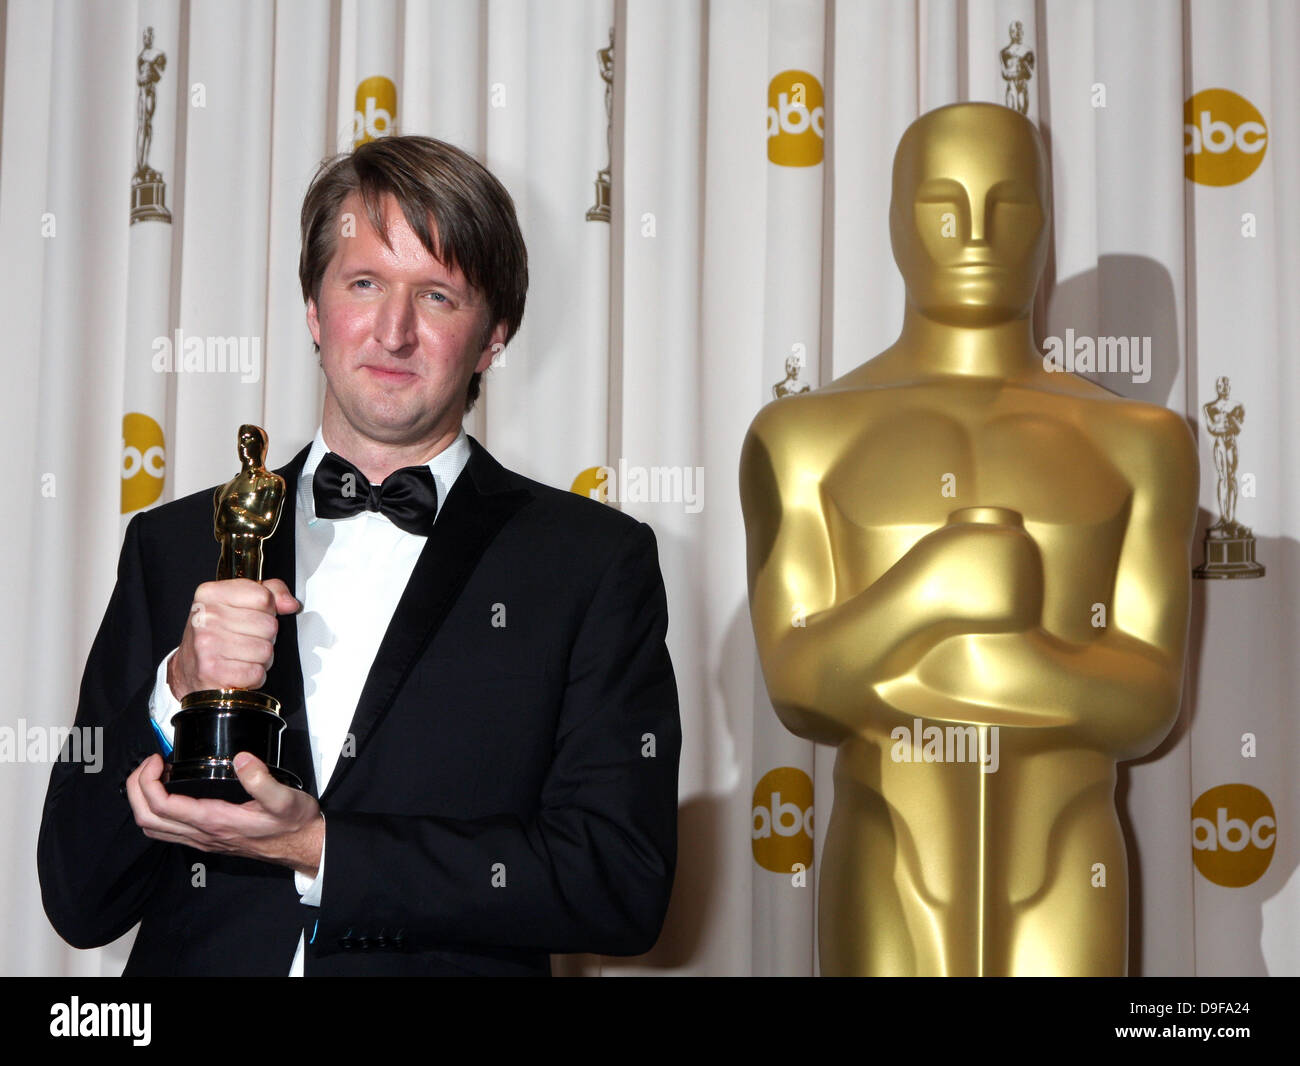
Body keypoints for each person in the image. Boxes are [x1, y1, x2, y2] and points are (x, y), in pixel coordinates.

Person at [38, 135, 681, 976]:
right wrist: (176, 688)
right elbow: (76, 896)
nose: (394, 331)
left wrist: (317, 846)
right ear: (314, 308)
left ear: (493, 338)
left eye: (439, 296)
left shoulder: (592, 564)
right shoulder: (173, 544)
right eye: (365, 283)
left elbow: (620, 884)